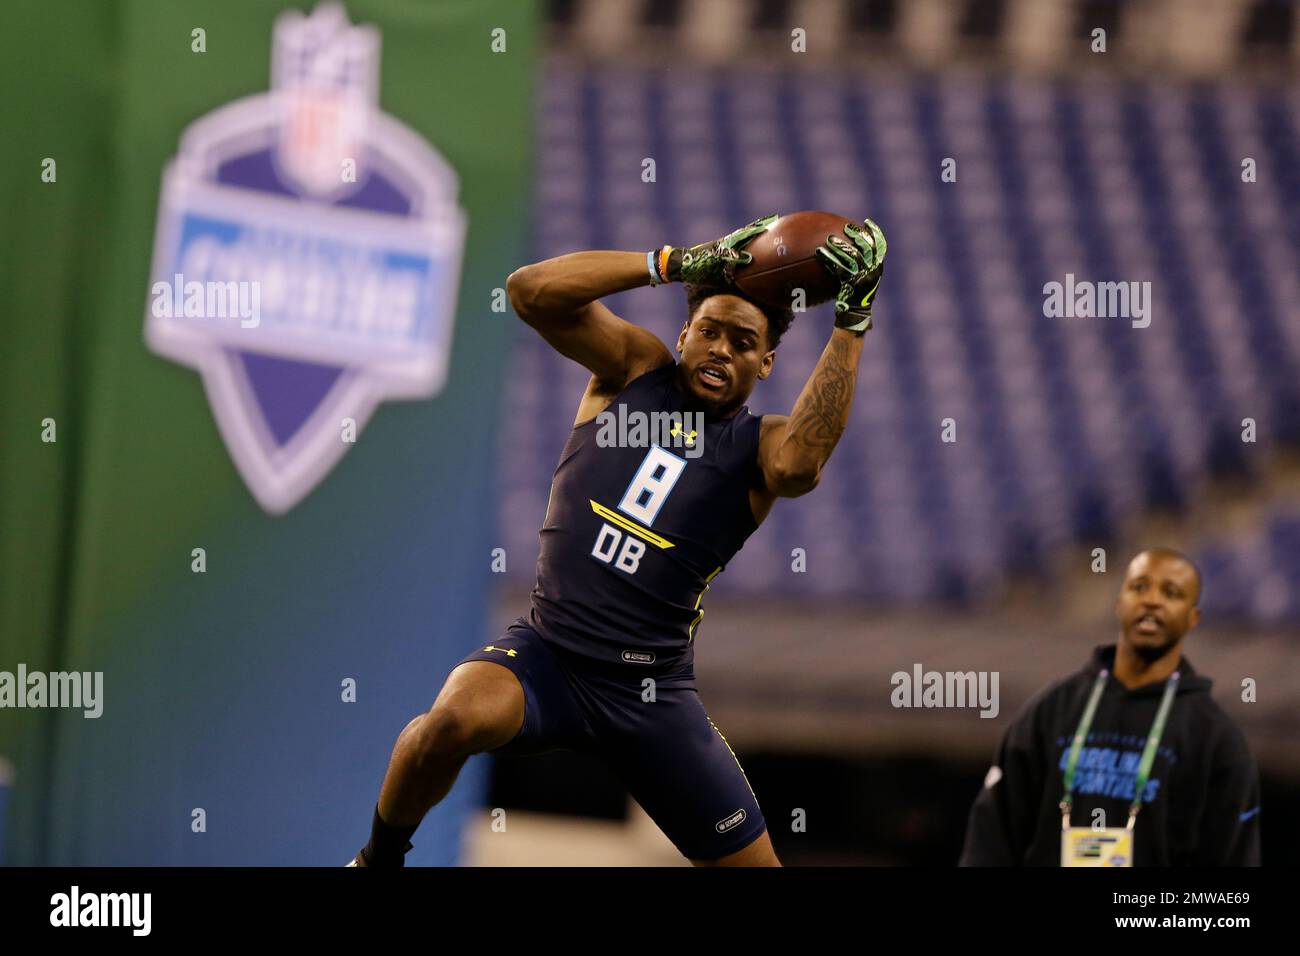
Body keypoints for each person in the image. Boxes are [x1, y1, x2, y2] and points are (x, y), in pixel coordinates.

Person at [349, 214, 887, 866]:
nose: (720, 349)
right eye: (709, 332)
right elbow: (530, 292)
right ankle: (378, 859)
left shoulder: (761, 445)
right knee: (454, 717)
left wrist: (850, 324)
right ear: (683, 333)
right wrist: (672, 262)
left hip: (650, 694)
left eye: (742, 342)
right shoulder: (635, 368)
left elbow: (802, 466)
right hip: (550, 654)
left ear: (766, 362)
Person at [959, 548, 1261, 866]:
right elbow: (990, 840)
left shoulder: (1216, 738)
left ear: (1192, 618)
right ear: (1119, 602)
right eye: (1139, 587)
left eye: (1171, 593)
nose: (1152, 600)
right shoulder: (1051, 710)